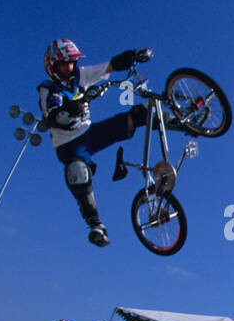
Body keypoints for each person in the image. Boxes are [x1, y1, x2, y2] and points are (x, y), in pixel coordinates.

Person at [37, 38, 159, 246]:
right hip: (69, 146)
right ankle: (96, 225)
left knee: (138, 115)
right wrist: (73, 107)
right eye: (64, 64)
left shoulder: (80, 75)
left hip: (90, 133)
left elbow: (108, 66)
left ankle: (183, 122)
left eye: (72, 62)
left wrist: (130, 57)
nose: (69, 67)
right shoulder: (49, 90)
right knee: (77, 170)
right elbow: (55, 117)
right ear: (52, 66)